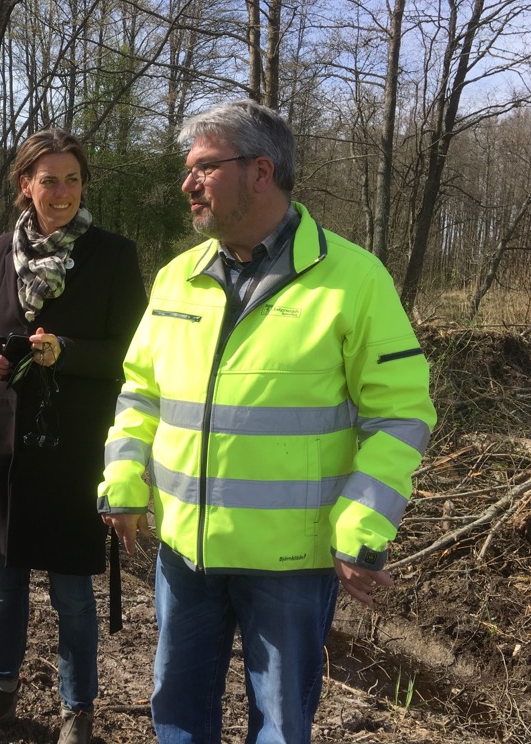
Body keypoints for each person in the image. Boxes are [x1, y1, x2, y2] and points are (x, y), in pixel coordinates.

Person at [97, 101, 436, 744]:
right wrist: (121, 481)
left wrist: (363, 523)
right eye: (186, 169)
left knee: (281, 724)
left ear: (260, 171)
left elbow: (400, 413)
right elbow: (139, 392)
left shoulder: (355, 280)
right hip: (184, 555)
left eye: (203, 167)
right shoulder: (176, 280)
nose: (186, 183)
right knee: (176, 714)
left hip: (291, 561)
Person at [0, 128, 147, 744]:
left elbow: (134, 353)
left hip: (73, 447)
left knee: (73, 591)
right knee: (4, 581)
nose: (61, 192)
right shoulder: (1, 251)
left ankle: (76, 709)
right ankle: (0, 693)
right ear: (25, 185)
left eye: (72, 179)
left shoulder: (111, 254)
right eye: (48, 179)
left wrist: (66, 352)